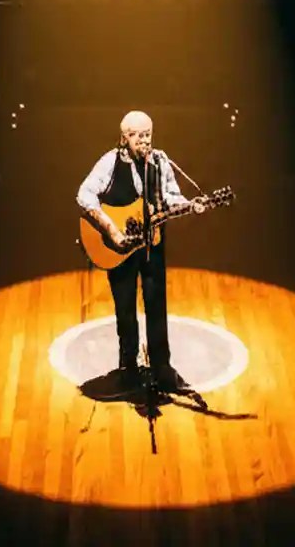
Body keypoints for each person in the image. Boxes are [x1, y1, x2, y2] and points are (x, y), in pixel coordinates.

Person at [77, 110, 206, 392]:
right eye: (138, 136)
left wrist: (188, 204)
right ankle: (129, 368)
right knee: (125, 309)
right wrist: (110, 228)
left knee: (156, 306)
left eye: (148, 134)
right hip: (121, 250)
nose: (145, 141)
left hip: (152, 245)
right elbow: (84, 194)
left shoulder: (160, 161)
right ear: (125, 137)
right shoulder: (110, 162)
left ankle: (162, 368)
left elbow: (171, 195)